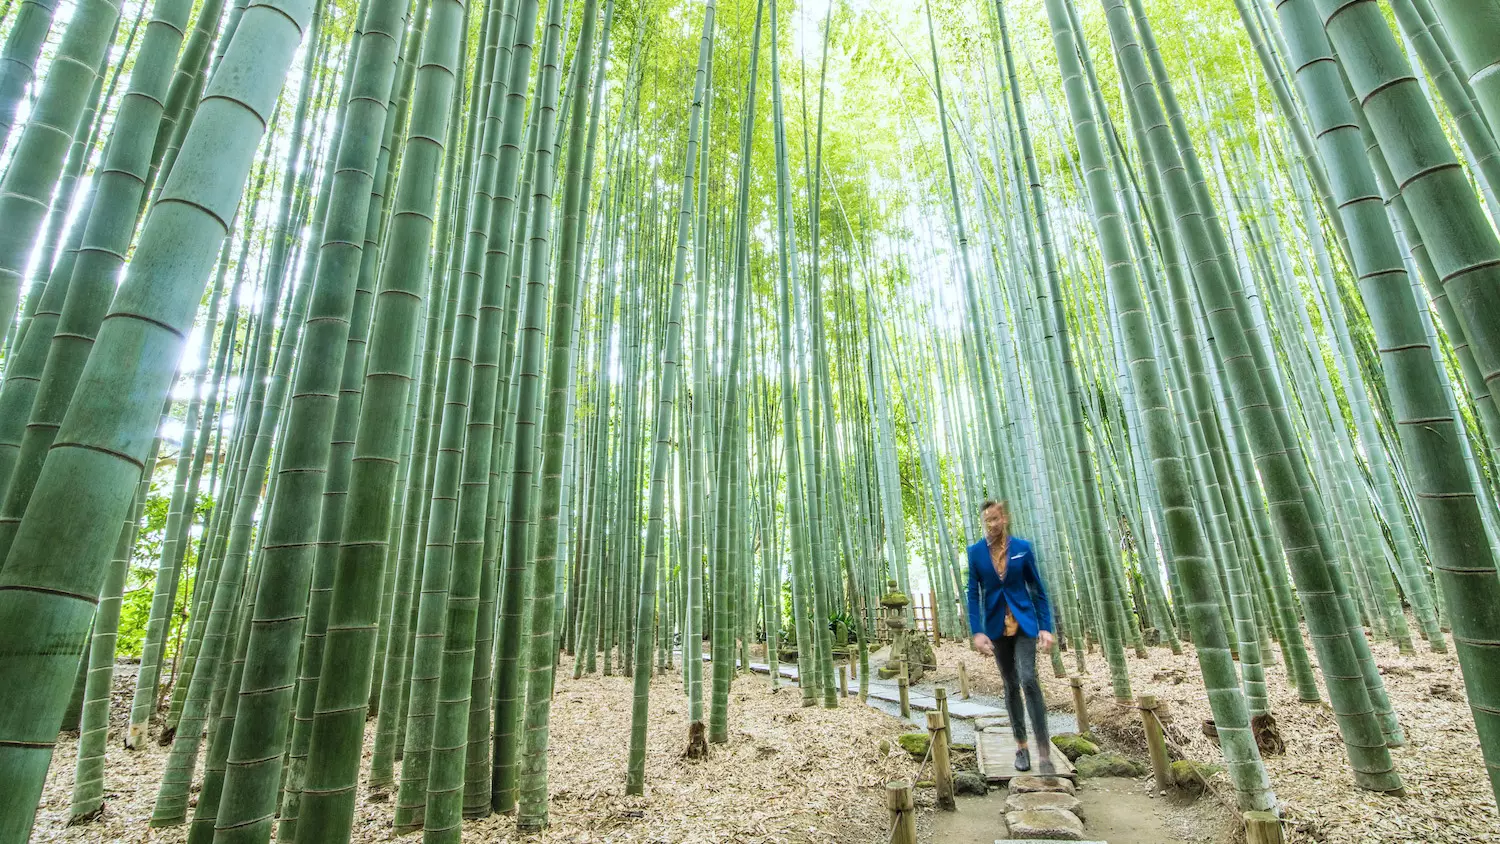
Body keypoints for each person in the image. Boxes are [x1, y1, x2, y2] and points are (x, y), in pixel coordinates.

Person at [966, 499, 1055, 773]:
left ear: (1004, 518)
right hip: (996, 627)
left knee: (1029, 679)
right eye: (986, 521)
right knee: (1010, 684)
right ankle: (1021, 747)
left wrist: (1046, 626)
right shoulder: (975, 552)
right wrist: (977, 631)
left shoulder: (1023, 549)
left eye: (995, 519)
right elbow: (973, 594)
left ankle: (1044, 753)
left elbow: (1038, 590)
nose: (991, 525)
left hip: (1024, 624)